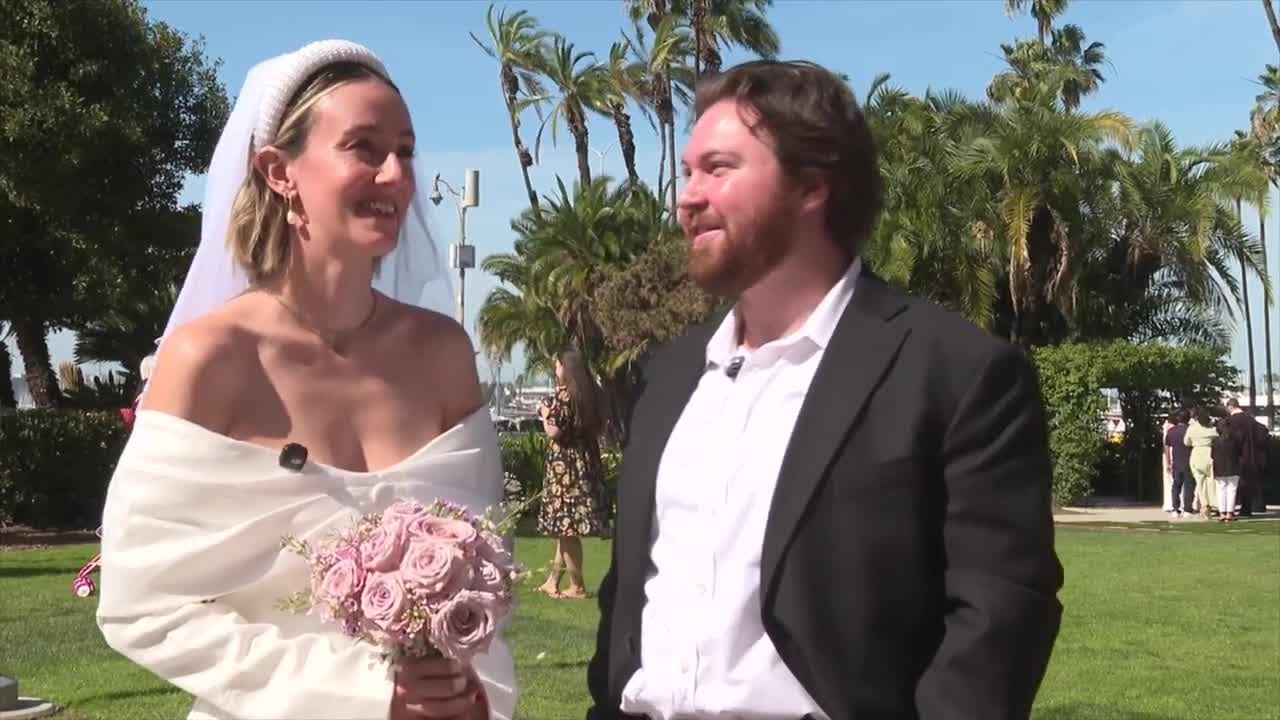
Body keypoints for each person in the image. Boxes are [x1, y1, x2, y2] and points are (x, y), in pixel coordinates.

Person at [587, 60, 1063, 720]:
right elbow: (630, 593)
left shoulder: (952, 373)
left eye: (718, 169)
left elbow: (999, 613)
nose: (687, 198)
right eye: (688, 172)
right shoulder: (669, 377)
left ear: (812, 185)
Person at [95, 40, 515, 720]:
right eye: (363, 147)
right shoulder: (212, 358)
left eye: (406, 151)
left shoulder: (443, 354)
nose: (395, 175)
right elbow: (142, 604)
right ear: (278, 171)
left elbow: (489, 577)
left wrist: (468, 691)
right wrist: (367, 694)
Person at [536, 347, 608, 599]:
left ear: (566, 368)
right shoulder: (588, 395)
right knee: (566, 527)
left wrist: (545, 414)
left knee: (567, 529)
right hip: (583, 464)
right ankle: (553, 581)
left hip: (566, 469)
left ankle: (577, 586)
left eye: (557, 365)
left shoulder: (566, 396)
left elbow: (554, 431)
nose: (555, 369)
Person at [1224, 398, 1269, 516]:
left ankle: (1228, 509)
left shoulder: (1230, 421)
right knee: (1249, 482)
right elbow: (1262, 433)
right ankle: (1247, 508)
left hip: (1235, 455)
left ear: (1230, 407)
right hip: (1251, 455)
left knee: (1231, 484)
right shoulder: (1250, 419)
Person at [1184, 407, 1218, 519]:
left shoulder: (1191, 428)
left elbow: (1186, 442)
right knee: (1211, 481)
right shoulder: (1212, 429)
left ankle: (1204, 504)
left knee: (1200, 482)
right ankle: (1212, 504)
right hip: (1209, 453)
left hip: (1196, 454)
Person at [1211, 416, 1243, 522]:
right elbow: (1240, 453)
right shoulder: (1235, 440)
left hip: (1219, 467)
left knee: (1220, 490)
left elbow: (1212, 455)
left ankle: (1222, 513)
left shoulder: (1215, 441)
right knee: (1232, 490)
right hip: (1233, 466)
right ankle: (1229, 513)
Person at [1164, 409, 1194, 518]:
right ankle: (1187, 509)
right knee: (1189, 485)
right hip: (1189, 461)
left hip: (1176, 461)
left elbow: (1167, 447)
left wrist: (1168, 462)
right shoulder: (1191, 430)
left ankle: (1175, 508)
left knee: (1176, 485)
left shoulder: (1171, 431)